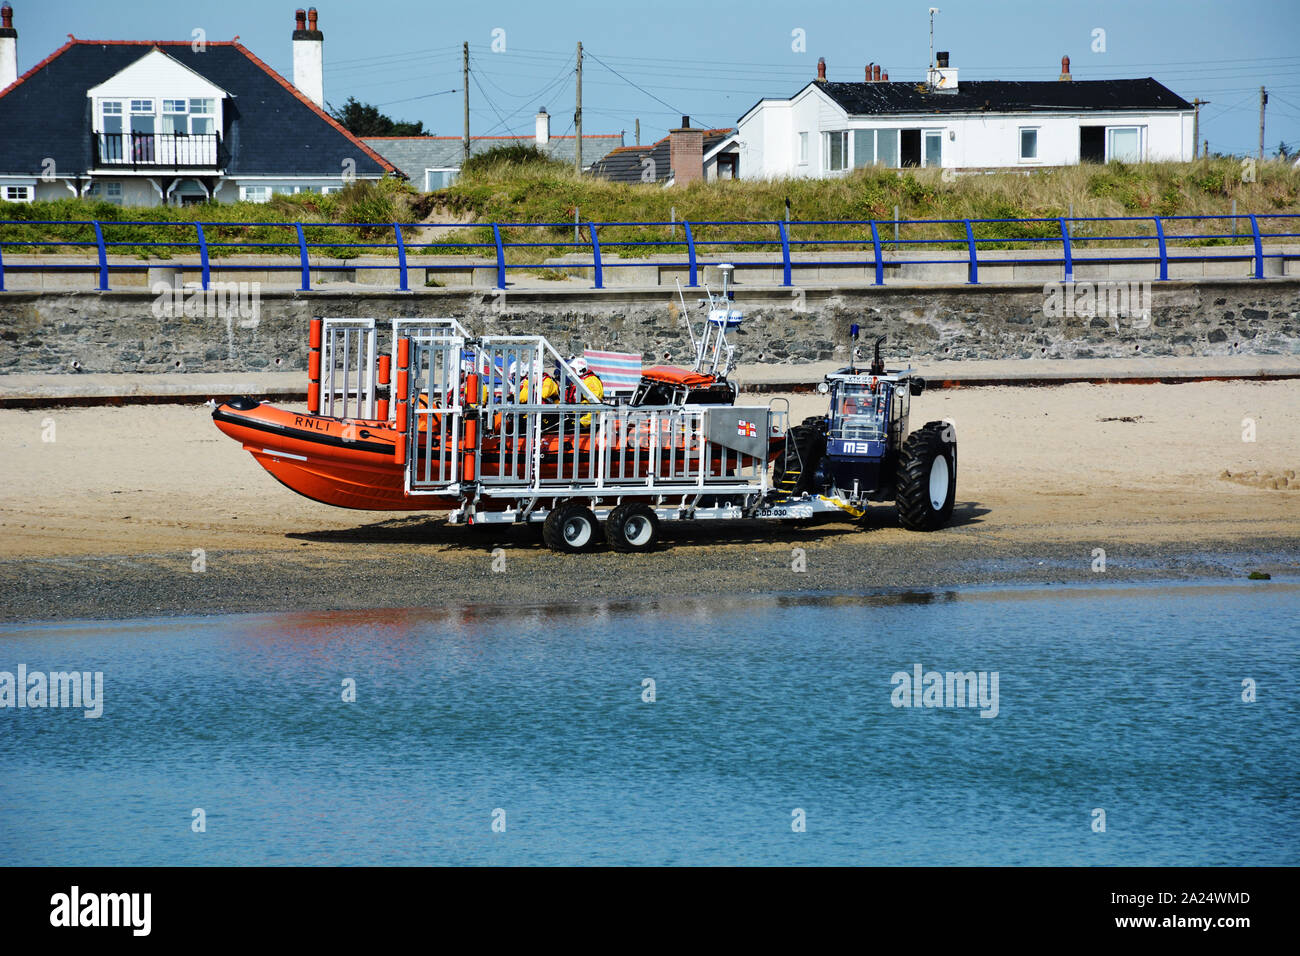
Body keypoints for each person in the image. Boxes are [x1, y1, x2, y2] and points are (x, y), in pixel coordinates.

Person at [565, 356, 605, 428]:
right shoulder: (578, 381)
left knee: (565, 426)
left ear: (579, 369)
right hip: (575, 414)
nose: (571, 371)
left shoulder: (591, 380)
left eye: (573, 369)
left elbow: (596, 400)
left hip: (585, 418)